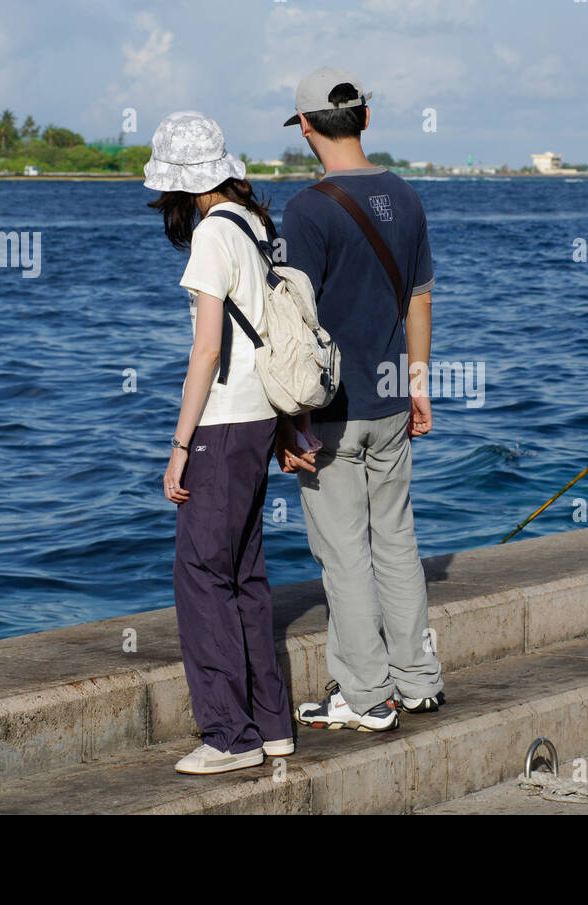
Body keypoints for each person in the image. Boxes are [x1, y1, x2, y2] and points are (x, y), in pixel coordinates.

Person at [275, 67, 445, 732]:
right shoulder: (406, 196)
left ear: (308, 128)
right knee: (397, 541)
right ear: (366, 120)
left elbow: (294, 321)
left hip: (333, 411)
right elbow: (420, 299)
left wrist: (292, 423)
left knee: (344, 552)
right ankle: (418, 680)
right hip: (394, 399)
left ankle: (367, 696)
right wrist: (419, 383)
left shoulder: (307, 209)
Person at [146, 110, 294, 772]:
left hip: (223, 422)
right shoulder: (257, 226)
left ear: (181, 185)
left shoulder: (212, 234)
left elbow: (207, 349)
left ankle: (229, 737)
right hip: (261, 417)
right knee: (246, 573)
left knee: (201, 575)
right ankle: (272, 723)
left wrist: (180, 444)